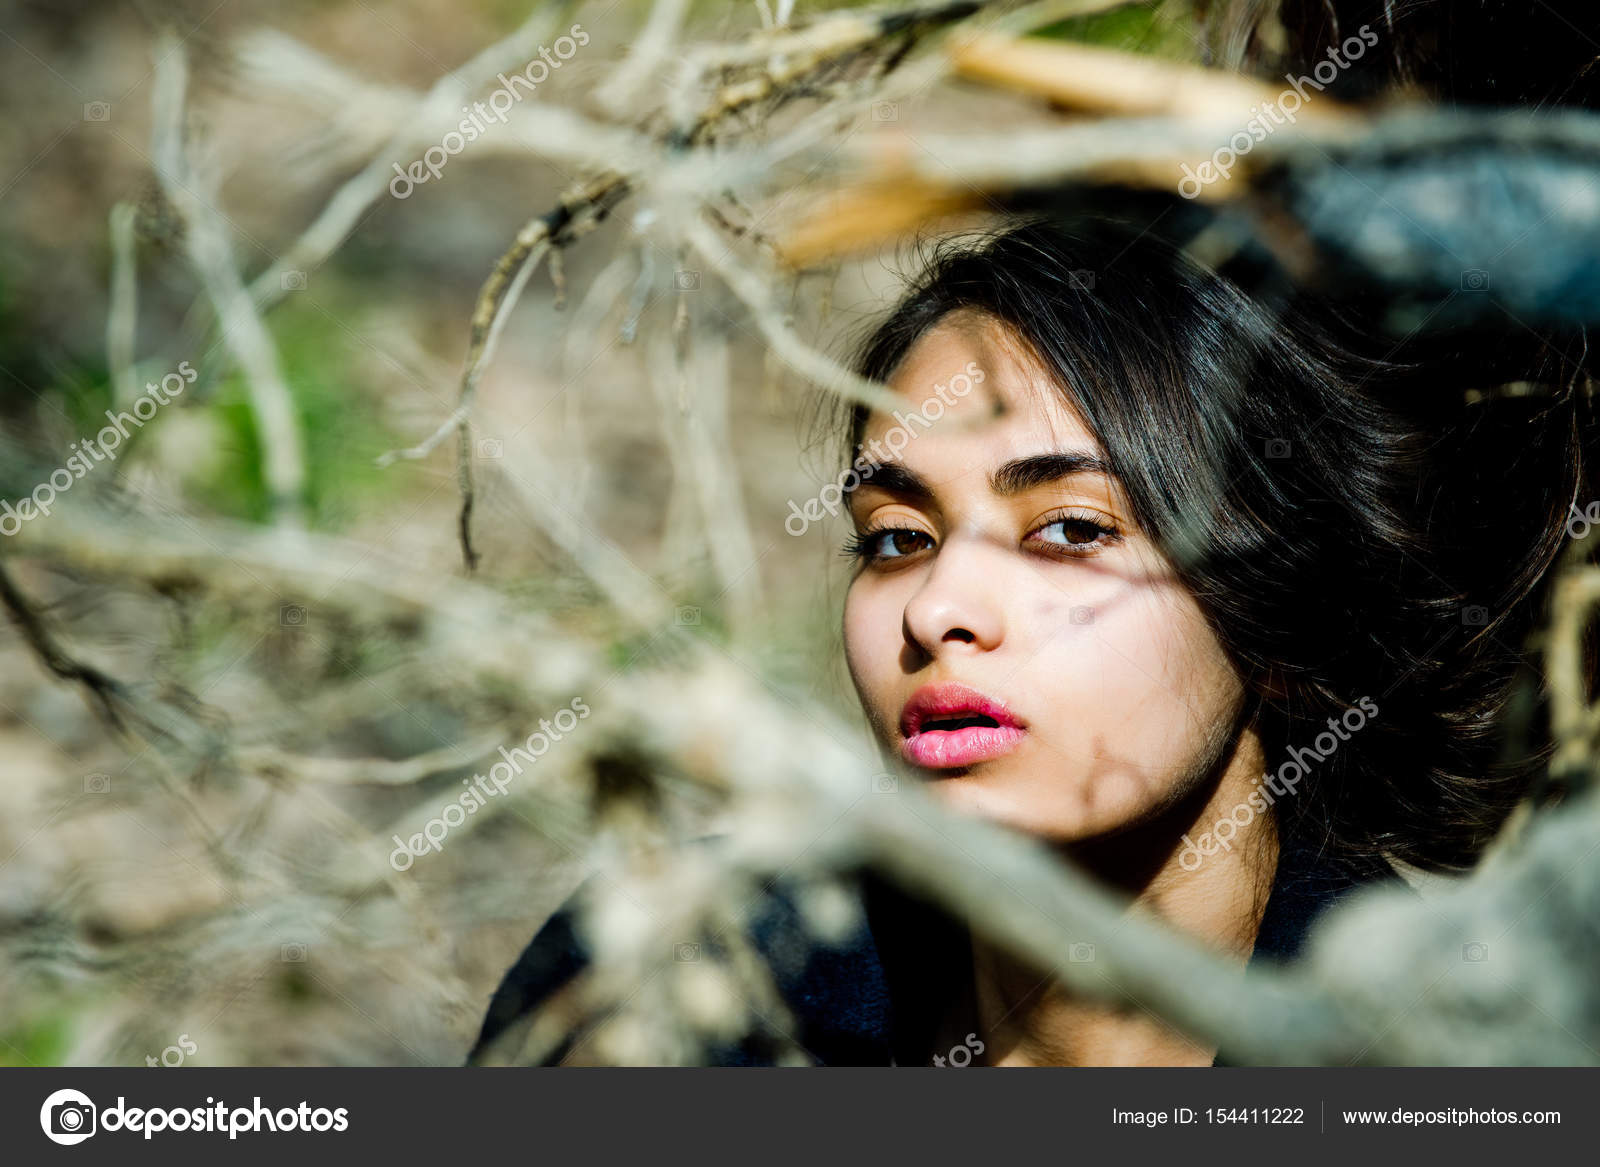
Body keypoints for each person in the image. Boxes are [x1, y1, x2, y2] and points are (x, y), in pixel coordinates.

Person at [468, 215, 1556, 1066]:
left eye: (1072, 531)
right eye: (895, 538)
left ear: (1274, 616)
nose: (940, 608)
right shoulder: (683, 979)